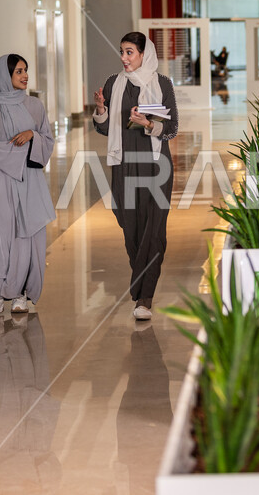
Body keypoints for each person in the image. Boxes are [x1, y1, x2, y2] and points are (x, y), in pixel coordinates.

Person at [93, 32, 179, 321]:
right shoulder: (113, 83)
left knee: (153, 230)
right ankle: (141, 284)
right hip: (124, 165)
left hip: (156, 166)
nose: (124, 58)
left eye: (130, 52)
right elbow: (105, 130)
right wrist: (101, 111)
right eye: (122, 52)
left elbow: (172, 128)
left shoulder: (162, 83)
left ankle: (145, 297)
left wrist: (147, 124)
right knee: (130, 227)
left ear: (144, 54)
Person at [0, 54, 56, 318]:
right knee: (3, 234)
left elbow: (47, 139)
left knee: (29, 233)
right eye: (18, 71)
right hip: (0, 176)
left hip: (29, 178)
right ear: (5, 76)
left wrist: (33, 135)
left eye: (25, 70)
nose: (24, 76)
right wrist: (18, 153)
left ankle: (23, 293)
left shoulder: (35, 105)